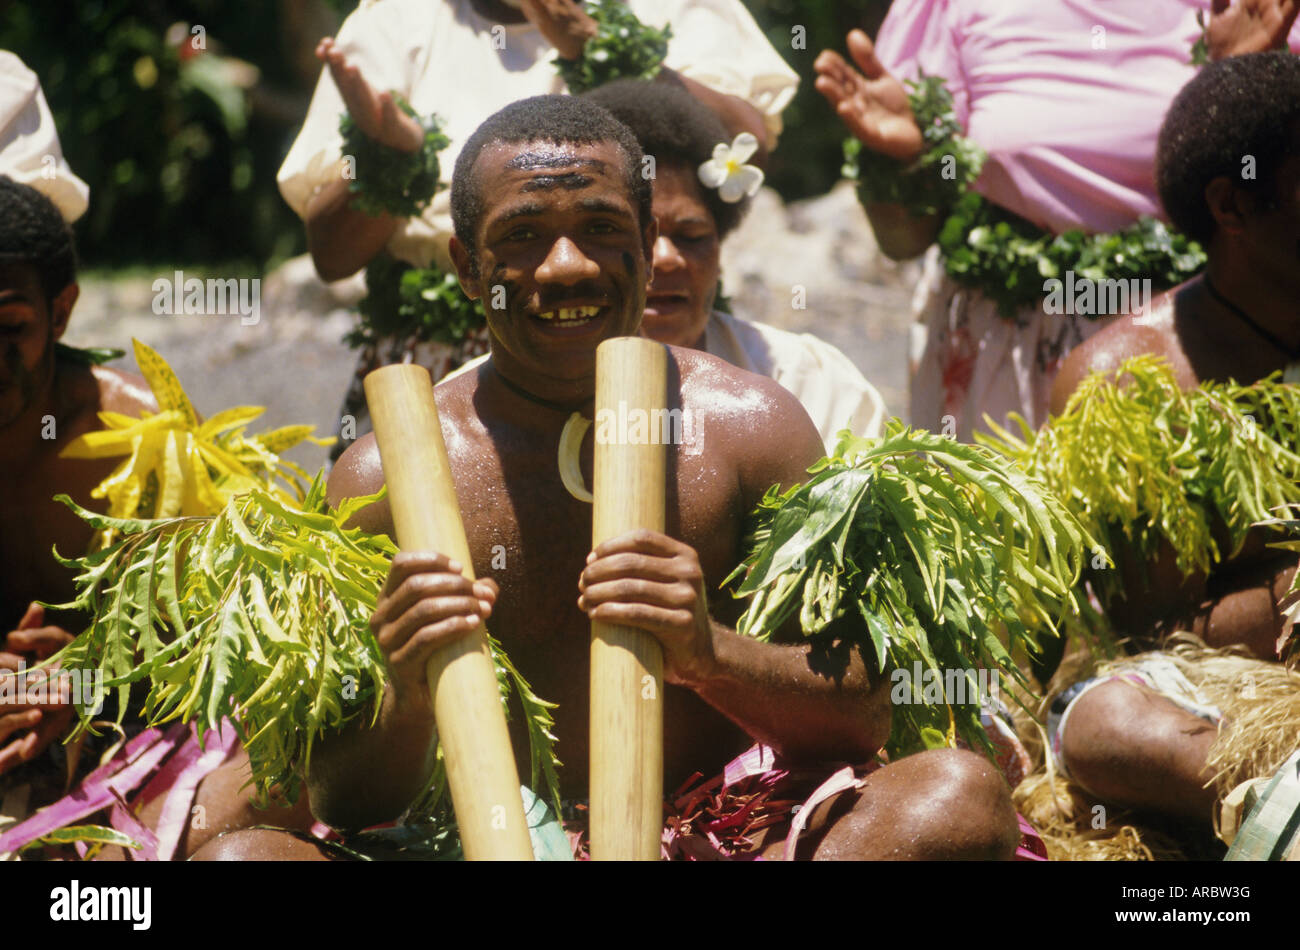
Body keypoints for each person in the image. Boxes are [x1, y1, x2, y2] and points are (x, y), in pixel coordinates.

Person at [204, 94, 1021, 861]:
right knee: (243, 856)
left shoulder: (752, 427)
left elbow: (858, 719)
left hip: (718, 833)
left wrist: (711, 655)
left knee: (957, 796)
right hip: (478, 840)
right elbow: (343, 800)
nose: (566, 266)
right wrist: (408, 692)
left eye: (599, 227)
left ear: (644, 239)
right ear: (463, 264)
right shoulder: (384, 477)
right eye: (522, 235)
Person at [277, 0, 798, 462]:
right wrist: (389, 158)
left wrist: (588, 38)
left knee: (652, 552)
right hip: (431, 371)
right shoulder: (396, 22)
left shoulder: (670, 8)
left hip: (637, 351)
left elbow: (746, 147)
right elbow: (333, 255)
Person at [815, 0, 1300, 443]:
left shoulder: (1242, 9)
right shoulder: (948, 8)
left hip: (1186, 355)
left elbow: (1264, 206)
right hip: (997, 365)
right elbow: (901, 241)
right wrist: (906, 164)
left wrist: (1237, 83)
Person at [0, 178, 315, 858]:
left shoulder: (150, 443)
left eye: (10, 330)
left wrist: (84, 684)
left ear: (61, 311)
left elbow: (221, 653)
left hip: (132, 736)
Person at [1037, 51, 1300, 835]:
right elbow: (1160, 635)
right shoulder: (1126, 383)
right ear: (1233, 206)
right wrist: (1291, 594)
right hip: (1230, 698)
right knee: (1109, 726)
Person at [579, 78, 886, 451]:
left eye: (692, 238)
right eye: (636, 240)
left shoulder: (807, 382)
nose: (666, 258)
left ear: (721, 251)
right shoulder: (508, 396)